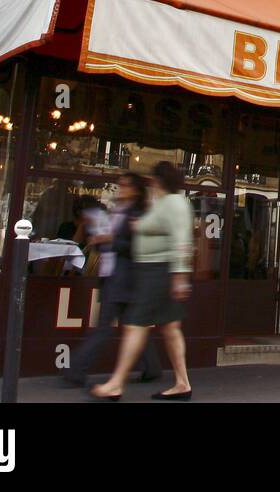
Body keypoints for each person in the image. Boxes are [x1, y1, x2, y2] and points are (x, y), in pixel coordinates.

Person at [90, 162, 193, 401]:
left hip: (158, 272)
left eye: (153, 179)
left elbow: (181, 240)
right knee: (170, 328)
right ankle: (182, 383)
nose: (151, 183)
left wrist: (180, 276)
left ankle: (116, 384)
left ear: (160, 180)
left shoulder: (174, 204)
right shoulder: (166, 203)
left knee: (135, 325)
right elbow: (161, 229)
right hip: (156, 271)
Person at [63, 173, 162, 387]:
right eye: (120, 185)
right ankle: (152, 367)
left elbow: (137, 247)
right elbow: (111, 243)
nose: (121, 188)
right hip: (112, 276)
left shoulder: (139, 214)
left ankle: (76, 371)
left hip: (125, 278)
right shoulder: (116, 211)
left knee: (105, 327)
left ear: (136, 190)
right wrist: (98, 240)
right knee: (133, 325)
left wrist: (111, 240)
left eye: (125, 185)